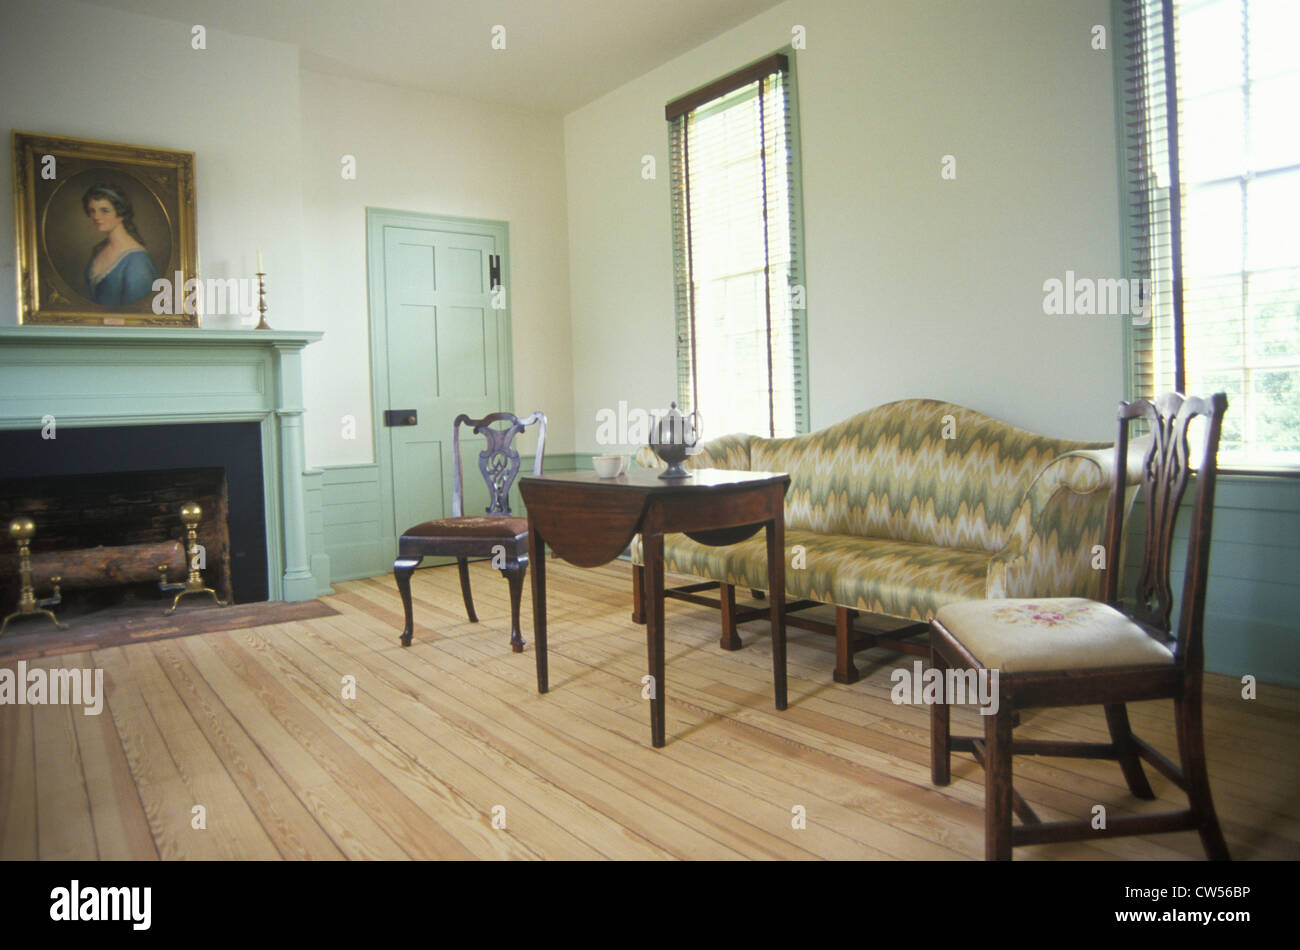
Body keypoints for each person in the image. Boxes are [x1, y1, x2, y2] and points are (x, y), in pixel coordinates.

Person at [81, 183, 158, 305]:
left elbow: (136, 311)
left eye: (104, 211)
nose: (96, 216)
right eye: (92, 211)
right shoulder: (99, 249)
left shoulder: (137, 261)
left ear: (121, 213)